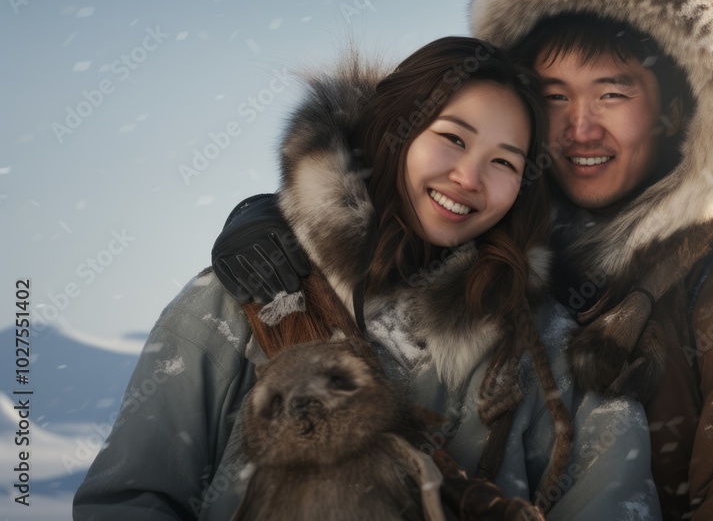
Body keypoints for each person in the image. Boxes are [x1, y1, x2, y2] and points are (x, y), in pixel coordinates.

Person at [208, 0, 713, 519]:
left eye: (612, 93)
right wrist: (308, 219)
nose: (578, 128)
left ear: (680, 109)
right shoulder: (515, 249)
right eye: (553, 96)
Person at [73, 36, 659, 520]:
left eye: (504, 162)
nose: (468, 176)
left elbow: (616, 503)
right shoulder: (242, 293)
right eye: (452, 138)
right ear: (395, 133)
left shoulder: (555, 347)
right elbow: (131, 498)